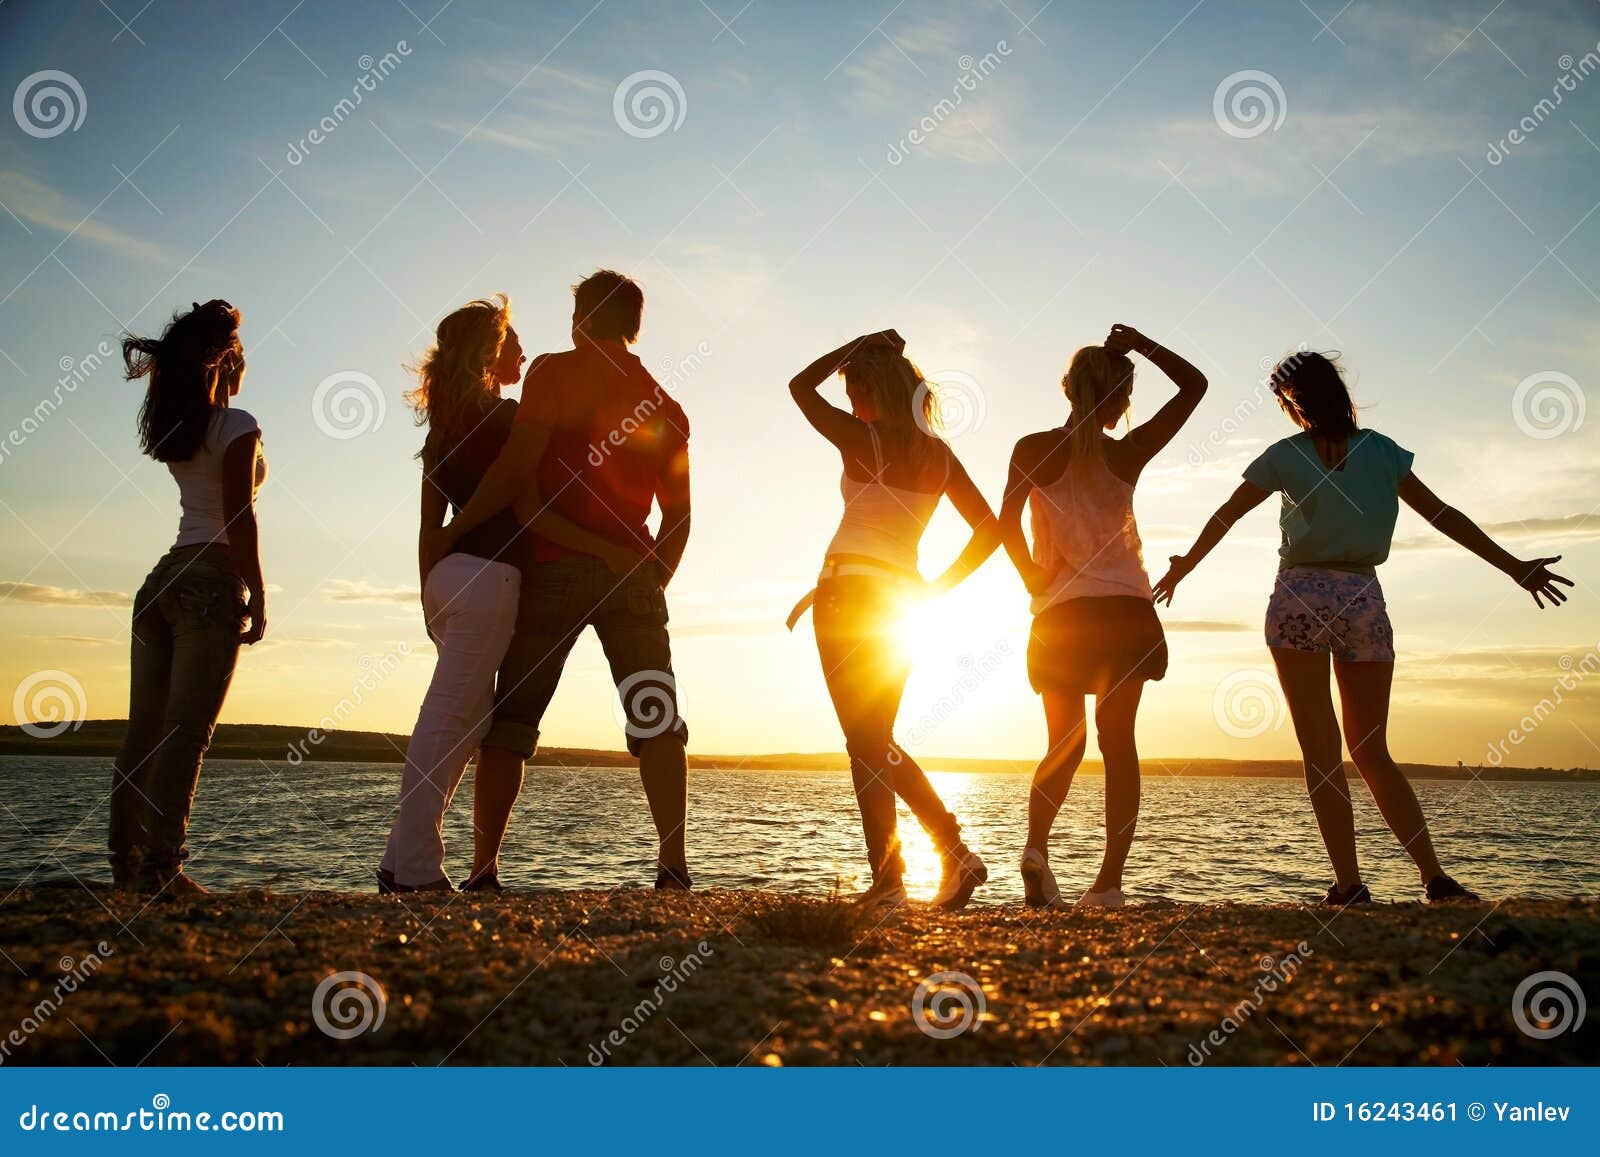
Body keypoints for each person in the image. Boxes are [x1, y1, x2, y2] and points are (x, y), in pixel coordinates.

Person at [1154, 350, 1572, 905]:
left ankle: (1350, 886)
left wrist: (1186, 563)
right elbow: (1443, 514)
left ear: (1290, 402)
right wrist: (1513, 567)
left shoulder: (1285, 455)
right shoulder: (1382, 452)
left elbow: (1227, 514)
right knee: (1372, 749)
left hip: (1300, 596)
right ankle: (1435, 877)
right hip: (1363, 599)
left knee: (1321, 753)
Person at [426, 270, 693, 890]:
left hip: (551, 570)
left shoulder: (552, 372)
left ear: (580, 318)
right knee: (656, 717)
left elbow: (520, 476)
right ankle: (673, 867)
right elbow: (679, 514)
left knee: (513, 719)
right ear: (633, 325)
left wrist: (449, 530)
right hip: (633, 575)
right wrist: (654, 579)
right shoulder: (666, 404)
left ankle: (484, 871)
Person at [787, 329, 1000, 912]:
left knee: (866, 743)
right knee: (873, 741)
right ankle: (939, 859)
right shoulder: (938, 456)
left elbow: (799, 387)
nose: (849, 401)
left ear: (870, 391)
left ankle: (900, 876)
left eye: (853, 388)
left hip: (848, 599)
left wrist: (854, 341)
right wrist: (933, 587)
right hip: (899, 604)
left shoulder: (862, 439)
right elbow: (992, 530)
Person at [999, 324, 1207, 909]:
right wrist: (1141, 343)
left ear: (1068, 389)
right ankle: (1108, 883)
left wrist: (1030, 576)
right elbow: (1195, 386)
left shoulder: (1031, 448)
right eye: (1125, 396)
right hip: (1123, 612)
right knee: (1119, 744)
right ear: (1117, 399)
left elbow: (1004, 521)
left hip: (1061, 614)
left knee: (1065, 741)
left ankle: (1036, 850)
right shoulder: (1128, 451)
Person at [110, 300, 266, 898]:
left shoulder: (179, 428)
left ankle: (126, 868)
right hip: (209, 578)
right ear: (229, 361)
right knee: (186, 733)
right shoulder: (236, 425)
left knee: (142, 732)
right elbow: (240, 516)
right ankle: (163, 871)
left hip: (161, 582)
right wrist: (258, 589)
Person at [377, 297, 526, 893]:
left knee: (467, 722)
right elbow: (511, 493)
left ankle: (398, 858)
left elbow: (424, 522)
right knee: (445, 722)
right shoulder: (508, 418)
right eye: (513, 342)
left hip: (448, 581)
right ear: (491, 352)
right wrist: (451, 543)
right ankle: (415, 871)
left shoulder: (443, 428)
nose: (522, 351)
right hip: (489, 578)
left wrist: (426, 591)